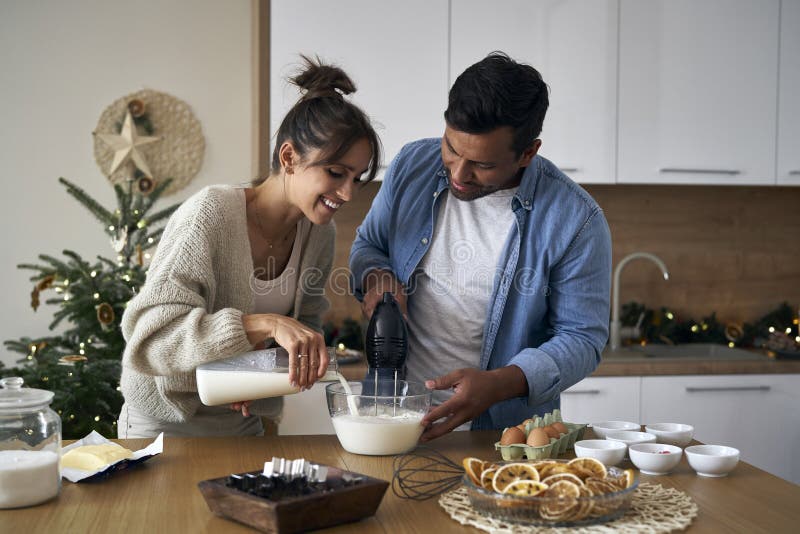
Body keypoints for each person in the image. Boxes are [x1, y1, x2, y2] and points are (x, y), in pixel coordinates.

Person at [350, 52, 611, 441]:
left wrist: (499, 384)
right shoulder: (412, 165)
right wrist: (378, 277)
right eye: (452, 148)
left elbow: (583, 338)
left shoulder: (577, 220)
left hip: (503, 434)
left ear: (527, 153)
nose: (458, 173)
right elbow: (369, 244)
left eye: (482, 165)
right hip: (391, 415)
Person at [118, 57, 381, 438]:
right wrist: (265, 323)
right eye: (336, 173)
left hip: (242, 420)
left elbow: (302, 328)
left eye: (357, 178)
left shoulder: (318, 234)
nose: (347, 192)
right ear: (289, 157)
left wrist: (257, 375)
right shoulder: (210, 215)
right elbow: (151, 342)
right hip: (164, 423)